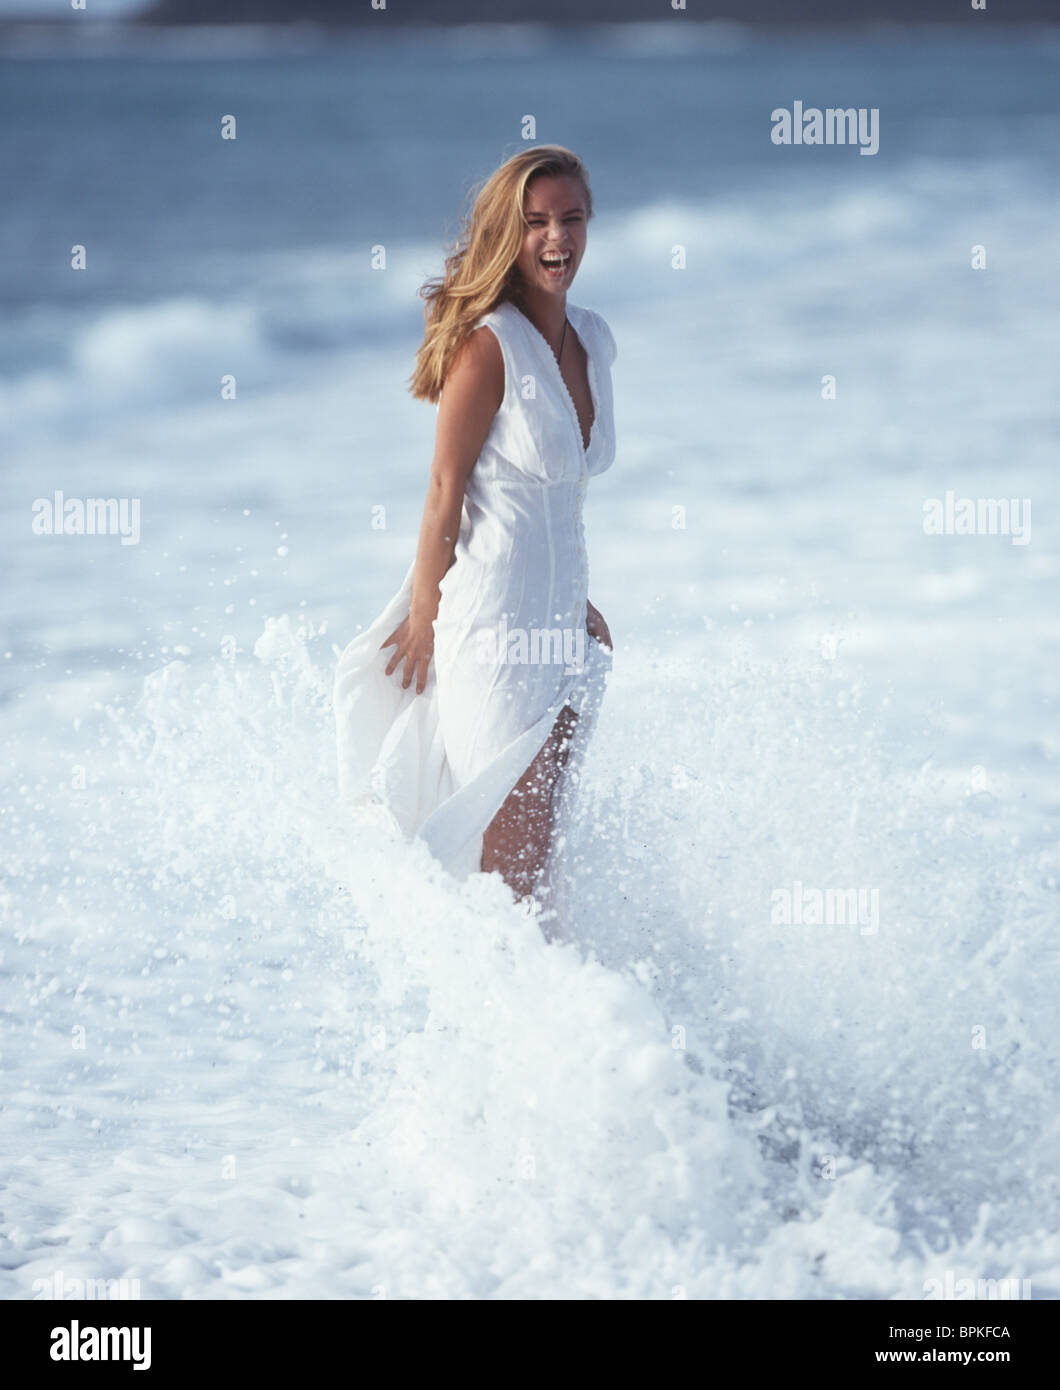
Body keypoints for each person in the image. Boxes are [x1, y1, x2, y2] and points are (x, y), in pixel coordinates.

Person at [333, 145, 617, 922]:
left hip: (561, 629)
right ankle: (511, 1021)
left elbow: (555, 502)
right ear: (508, 234)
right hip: (491, 629)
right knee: (504, 869)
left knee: (539, 860)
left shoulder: (591, 339)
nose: (555, 238)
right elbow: (443, 491)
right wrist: (426, 611)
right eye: (535, 223)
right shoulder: (488, 346)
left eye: (570, 218)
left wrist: (578, 601)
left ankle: (556, 1027)